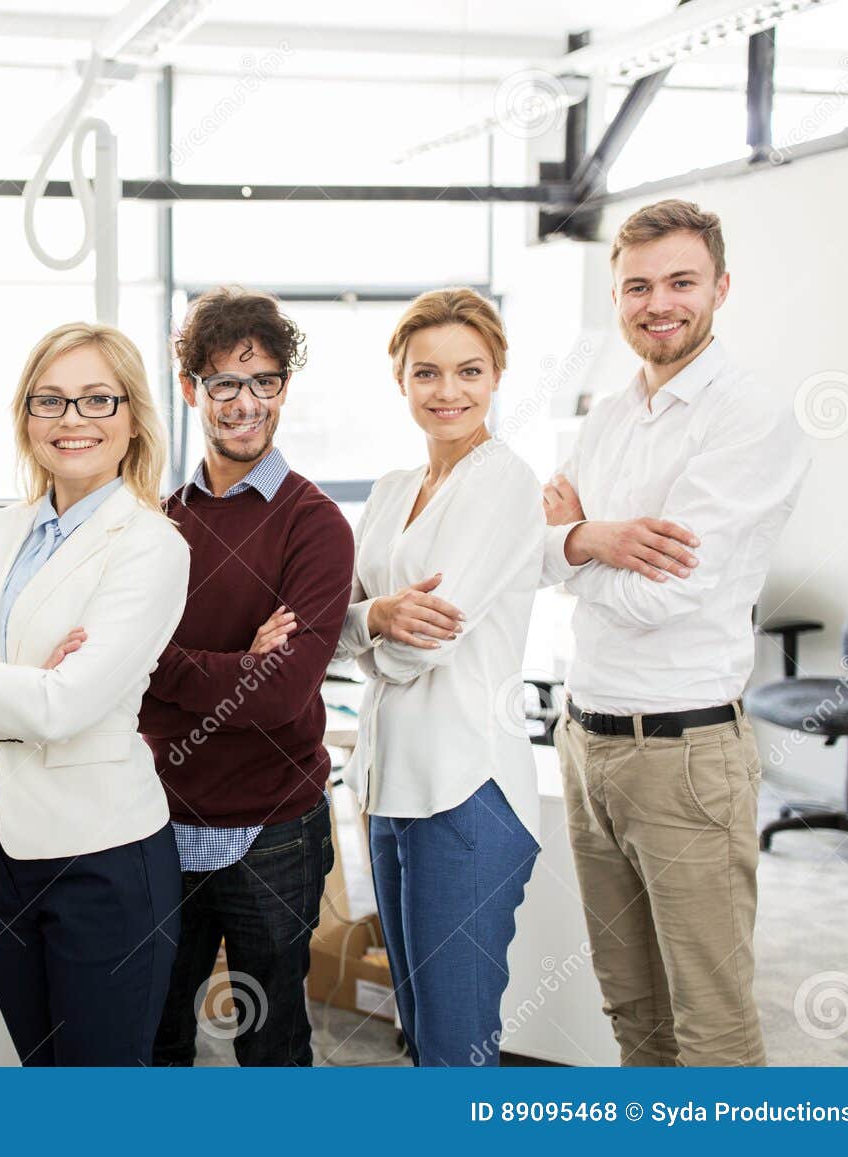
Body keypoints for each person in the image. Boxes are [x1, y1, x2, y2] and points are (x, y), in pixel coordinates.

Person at [541, 199, 811, 1066]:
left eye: (681, 282)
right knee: (633, 1016)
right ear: (617, 298)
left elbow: (666, 596)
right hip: (587, 740)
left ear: (720, 288)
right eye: (637, 286)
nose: (659, 302)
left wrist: (577, 543)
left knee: (713, 1030)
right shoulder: (612, 412)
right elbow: (539, 547)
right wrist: (596, 539)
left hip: (684, 757)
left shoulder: (748, 414)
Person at [0, 322, 188, 1067]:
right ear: (26, 417)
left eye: (98, 399)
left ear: (133, 418)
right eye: (52, 401)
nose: (73, 420)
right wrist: (18, 678)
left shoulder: (151, 542)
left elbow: (62, 707)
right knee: (41, 1071)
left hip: (104, 855)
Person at [140, 288, 353, 1067]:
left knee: (271, 1043)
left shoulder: (316, 524)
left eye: (263, 380)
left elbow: (283, 692)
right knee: (158, 1036)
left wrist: (166, 664)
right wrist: (235, 663)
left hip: (274, 829)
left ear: (283, 388)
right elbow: (124, 671)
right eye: (225, 383)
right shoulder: (158, 521)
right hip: (161, 818)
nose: (244, 403)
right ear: (192, 387)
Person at [335, 288, 542, 1066]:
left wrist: (372, 630)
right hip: (389, 788)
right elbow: (339, 624)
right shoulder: (390, 491)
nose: (447, 391)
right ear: (401, 379)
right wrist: (376, 619)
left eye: (468, 370)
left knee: (456, 1043)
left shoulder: (505, 481)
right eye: (427, 373)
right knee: (417, 1030)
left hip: (469, 793)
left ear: (497, 375)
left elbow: (429, 640)